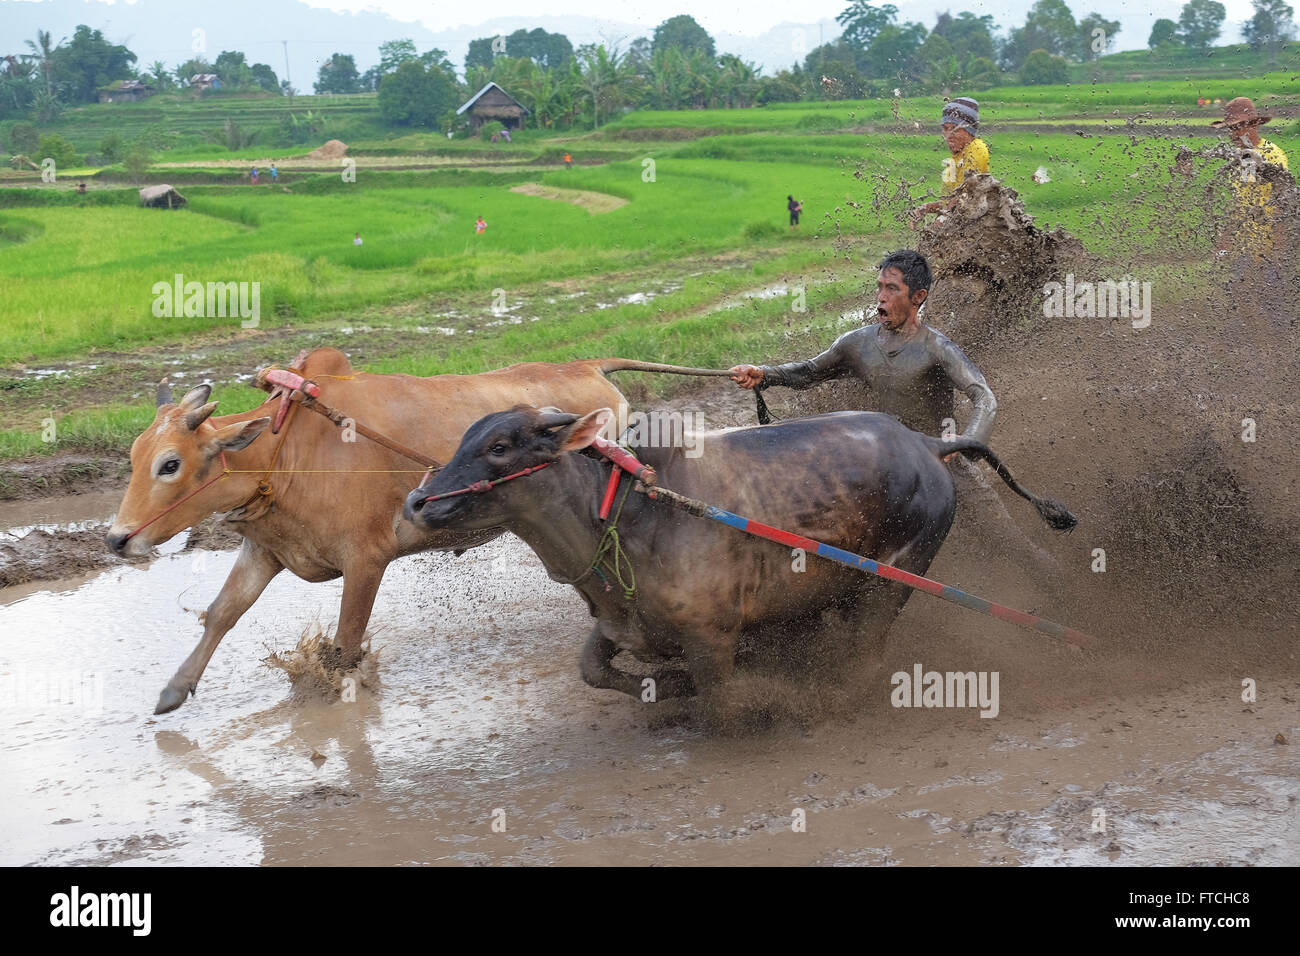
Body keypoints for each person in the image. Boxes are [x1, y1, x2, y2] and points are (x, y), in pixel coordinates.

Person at [729, 249, 1062, 583]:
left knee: (1009, 542)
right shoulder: (857, 344)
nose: (881, 298)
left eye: (891, 290)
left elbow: (983, 397)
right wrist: (764, 374)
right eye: (879, 288)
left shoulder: (936, 348)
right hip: (880, 468)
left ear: (918, 297)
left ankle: (1060, 585)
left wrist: (964, 443)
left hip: (938, 462)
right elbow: (811, 371)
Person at [1211, 96, 1290, 269]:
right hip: (1244, 250)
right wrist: (1225, 243)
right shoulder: (1245, 156)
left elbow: (1283, 204)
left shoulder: (1271, 154)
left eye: (1239, 127)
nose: (1233, 134)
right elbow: (1242, 202)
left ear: (1253, 125)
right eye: (1231, 129)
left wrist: (1278, 252)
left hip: (1267, 252)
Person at [910, 97, 989, 228]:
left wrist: (943, 217)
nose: (949, 134)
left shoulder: (976, 149)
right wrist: (925, 209)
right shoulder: (953, 161)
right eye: (945, 128)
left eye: (956, 129)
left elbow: (967, 196)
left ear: (970, 131)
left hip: (975, 230)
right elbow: (948, 203)